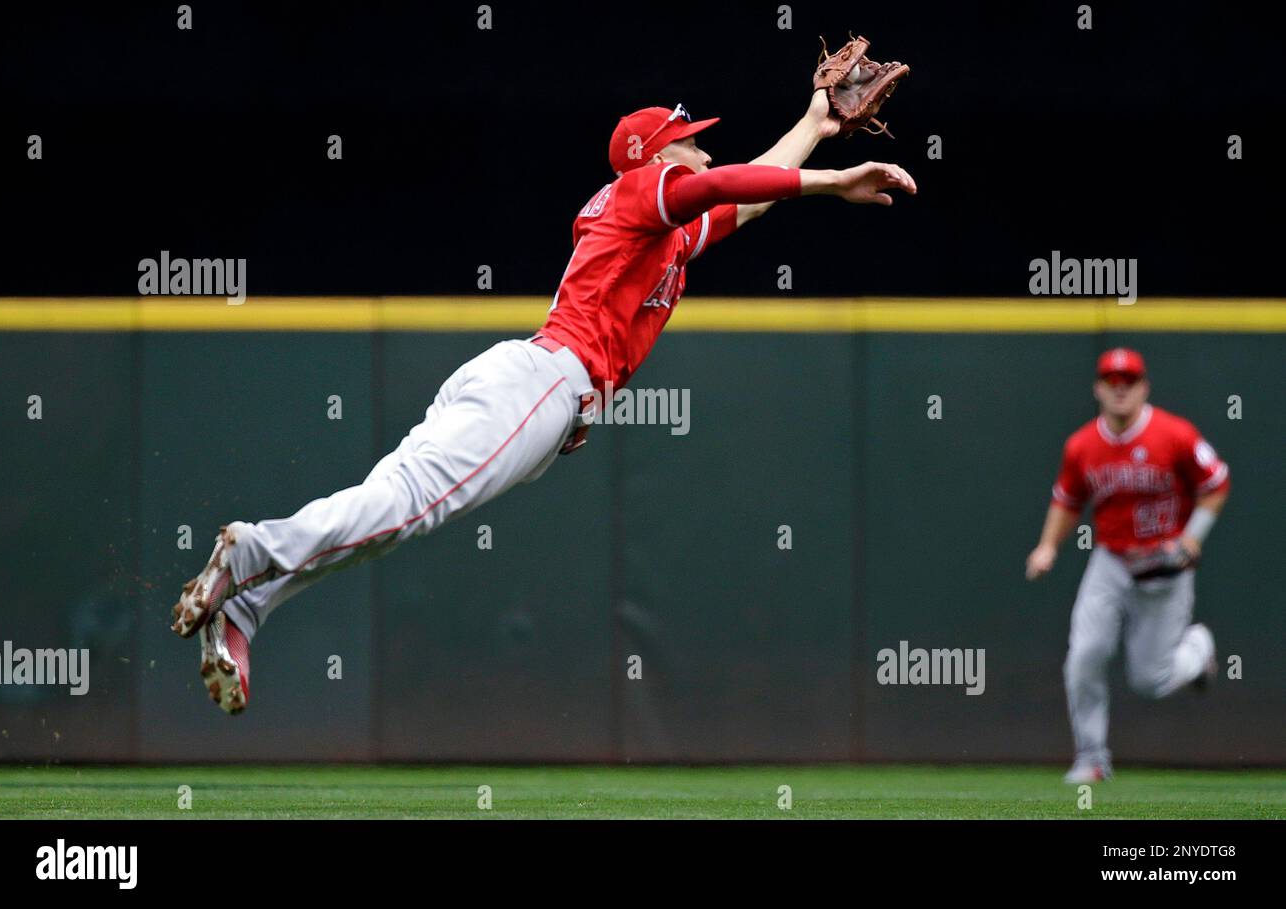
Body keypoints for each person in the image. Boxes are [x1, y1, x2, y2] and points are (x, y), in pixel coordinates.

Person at [171, 91, 918, 713]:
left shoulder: (658, 236)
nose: (702, 152)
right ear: (655, 160)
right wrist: (834, 180)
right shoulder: (638, 192)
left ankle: (246, 606)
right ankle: (255, 548)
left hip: (524, 381)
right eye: (688, 143)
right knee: (405, 506)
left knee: (392, 513)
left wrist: (815, 125)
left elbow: (744, 197)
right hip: (541, 384)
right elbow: (726, 186)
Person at [1025, 348, 1229, 783]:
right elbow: (1068, 500)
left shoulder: (1174, 433)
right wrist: (1047, 547)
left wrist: (1193, 536)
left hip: (1165, 563)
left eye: (1129, 382)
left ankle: (1198, 649)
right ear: (1098, 389)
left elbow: (1216, 483)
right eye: (1112, 382)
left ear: (1144, 387)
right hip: (1113, 559)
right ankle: (1092, 758)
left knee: (1150, 680)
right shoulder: (1082, 444)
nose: (1120, 390)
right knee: (1084, 655)